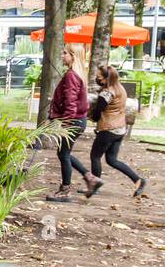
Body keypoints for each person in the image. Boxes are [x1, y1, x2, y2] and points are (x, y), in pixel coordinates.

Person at [85, 65, 146, 198]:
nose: (97, 78)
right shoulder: (120, 88)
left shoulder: (106, 93)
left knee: (95, 156)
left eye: (99, 77)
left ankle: (94, 184)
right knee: (112, 160)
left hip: (108, 129)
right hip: (120, 129)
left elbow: (97, 112)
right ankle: (138, 180)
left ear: (106, 78)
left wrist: (88, 114)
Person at [46, 47, 90, 202]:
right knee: (64, 153)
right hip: (78, 120)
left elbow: (71, 102)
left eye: (65, 53)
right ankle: (90, 178)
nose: (62, 55)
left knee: (63, 154)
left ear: (73, 56)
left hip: (73, 121)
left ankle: (65, 190)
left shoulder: (71, 75)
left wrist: (66, 122)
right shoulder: (77, 74)